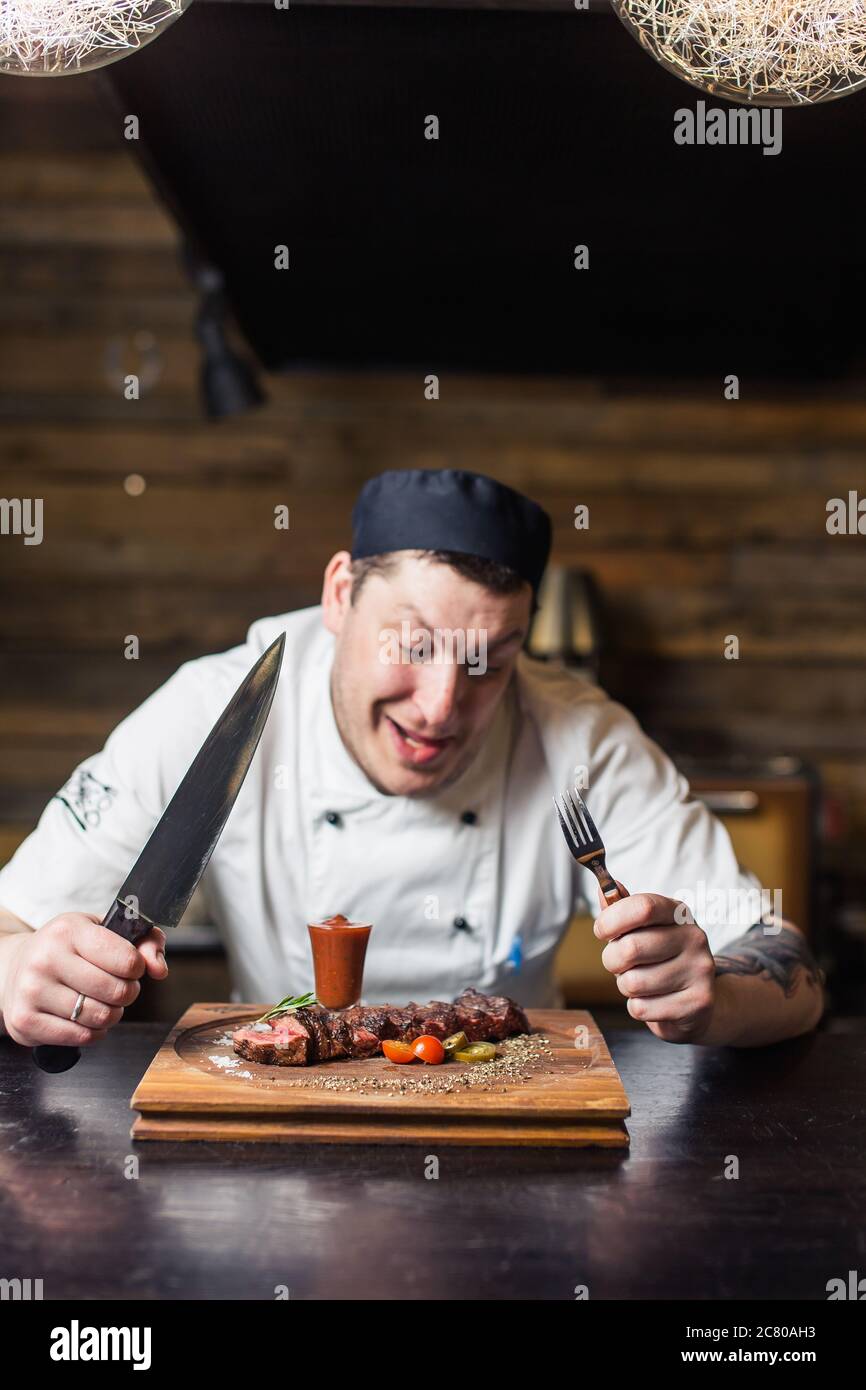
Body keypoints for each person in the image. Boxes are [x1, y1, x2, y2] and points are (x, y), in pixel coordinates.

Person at [0, 468, 823, 1052]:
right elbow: (11, 924)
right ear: (338, 595)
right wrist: (20, 973)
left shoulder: (581, 738)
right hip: (281, 1140)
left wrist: (713, 996)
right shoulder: (216, 710)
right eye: (413, 643)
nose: (439, 706)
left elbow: (789, 964)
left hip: (515, 1128)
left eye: (486, 662)